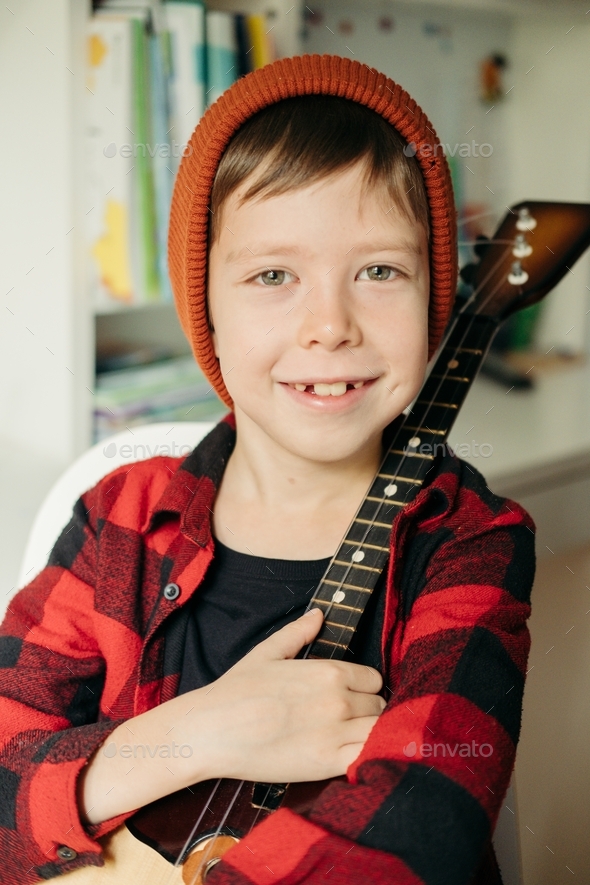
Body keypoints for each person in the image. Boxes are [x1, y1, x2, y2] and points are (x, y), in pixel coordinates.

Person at [0, 54, 535, 885]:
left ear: (436, 297)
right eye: (273, 274)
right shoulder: (118, 518)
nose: (330, 325)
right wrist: (196, 732)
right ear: (202, 302)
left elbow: (419, 831)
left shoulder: (471, 542)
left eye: (380, 271)